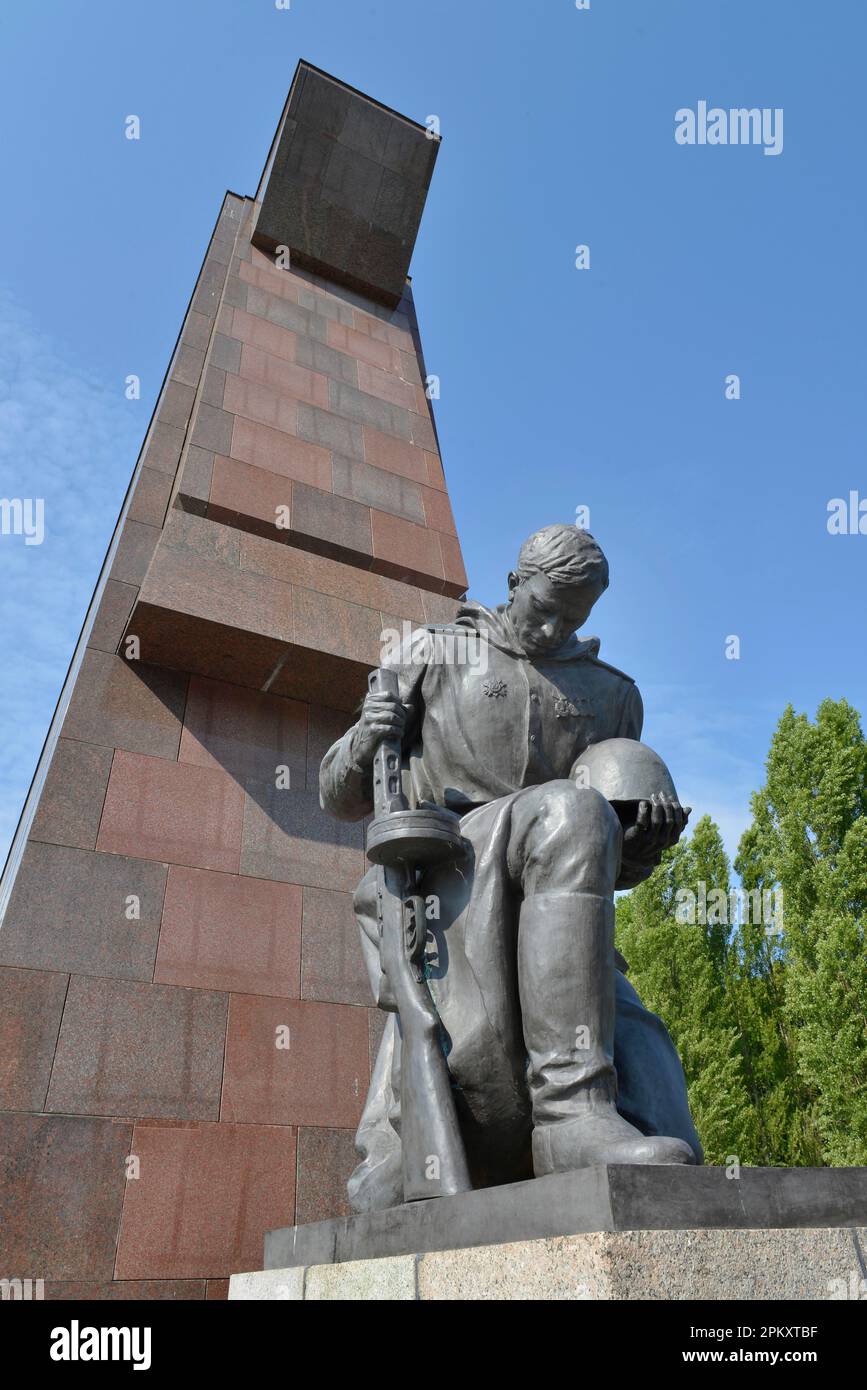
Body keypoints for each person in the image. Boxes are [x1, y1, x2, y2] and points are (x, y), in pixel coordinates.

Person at [320, 524, 702, 1211]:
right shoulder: (435, 652)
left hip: (549, 908)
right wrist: (365, 739)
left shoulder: (612, 695)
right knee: (572, 811)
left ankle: (582, 1114)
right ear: (514, 583)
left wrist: (640, 845)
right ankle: (569, 1117)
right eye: (545, 606)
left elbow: (593, 870)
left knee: (654, 1086)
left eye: (574, 617)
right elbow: (338, 795)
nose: (555, 627)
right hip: (454, 874)